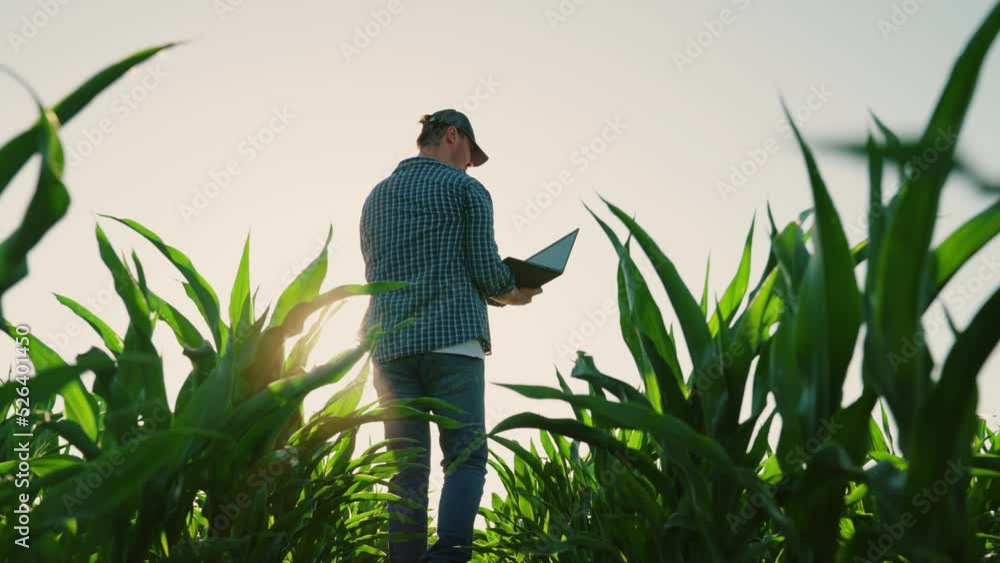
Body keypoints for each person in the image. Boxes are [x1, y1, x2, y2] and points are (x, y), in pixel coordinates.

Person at [358, 108, 543, 562]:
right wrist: (514, 293)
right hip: (451, 342)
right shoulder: (466, 189)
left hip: (390, 349)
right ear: (453, 136)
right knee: (464, 458)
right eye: (470, 155)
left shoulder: (375, 197)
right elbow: (487, 271)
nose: (471, 165)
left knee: (406, 471)